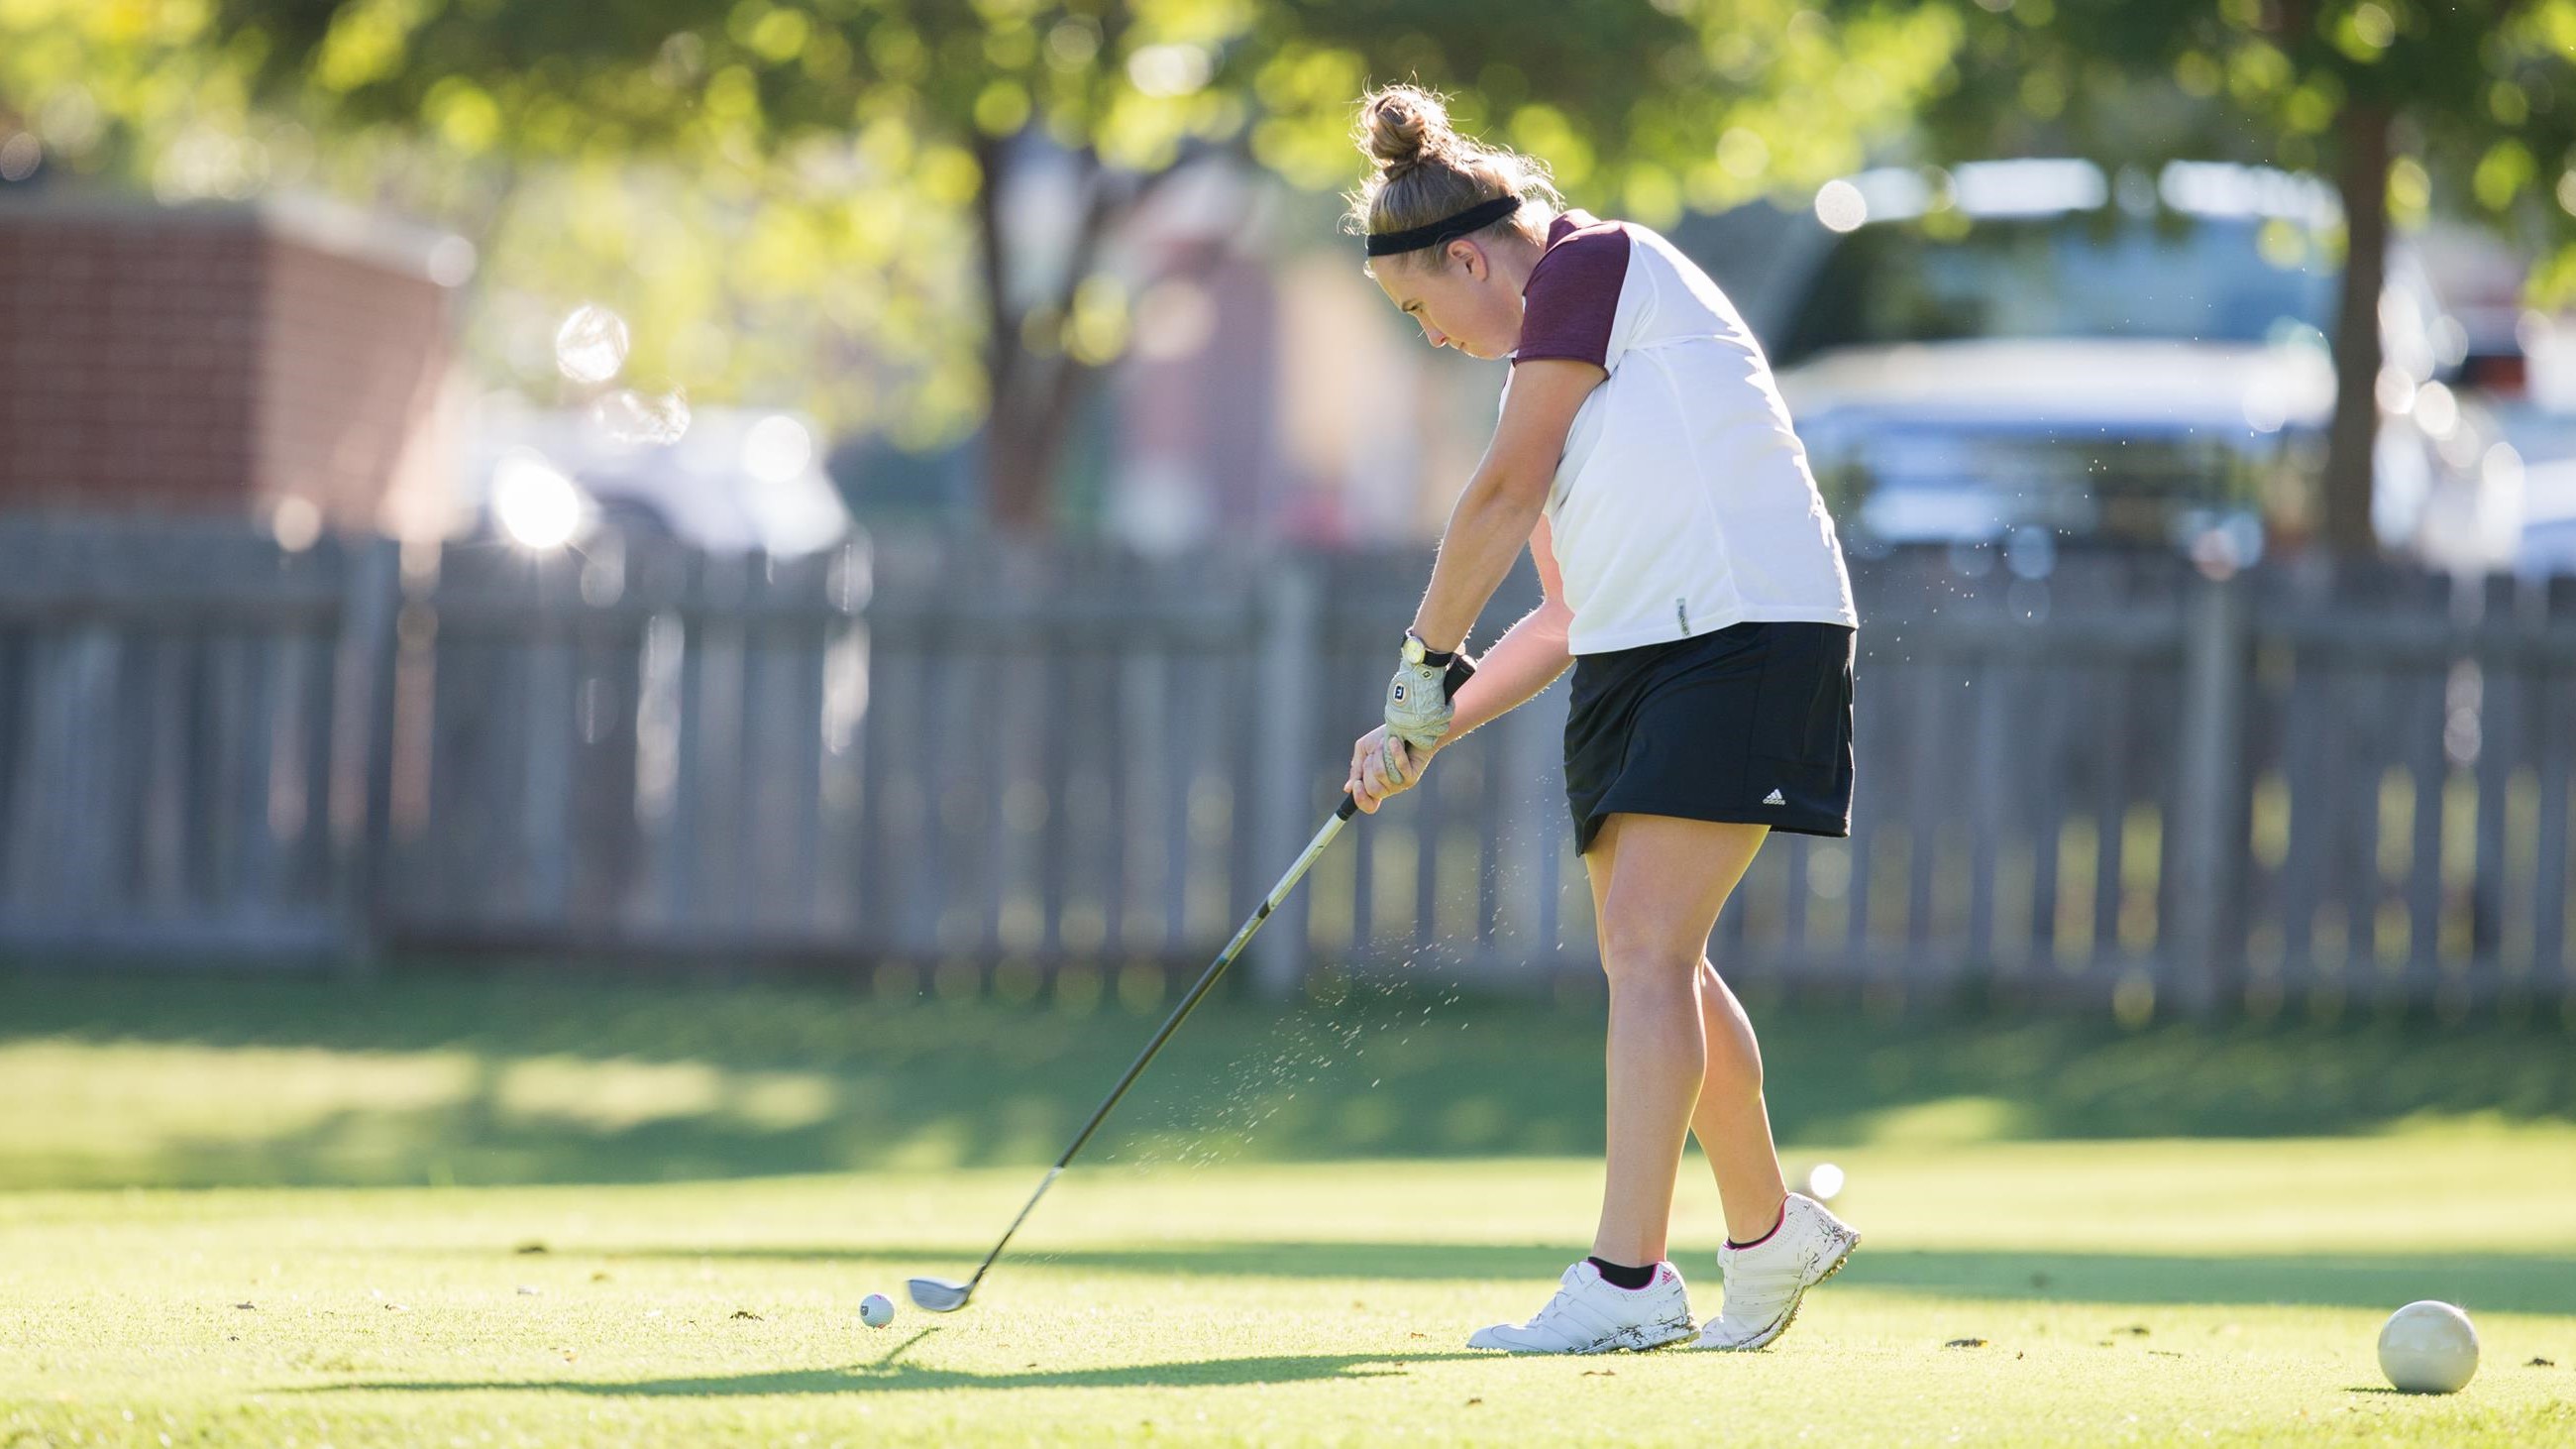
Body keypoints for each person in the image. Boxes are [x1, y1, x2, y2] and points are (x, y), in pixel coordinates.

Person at [1339, 84, 1863, 1355]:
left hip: (1742, 630)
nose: (1431, 337)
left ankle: (1628, 1282)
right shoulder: (1556, 375)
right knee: (1657, 958)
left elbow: (1499, 497)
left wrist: (1417, 665)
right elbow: (1562, 615)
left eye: (1419, 309)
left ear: (1470, 259)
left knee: (1643, 945)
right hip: (1633, 654)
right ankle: (1768, 1233)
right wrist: (1426, 725)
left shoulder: (1592, 266)